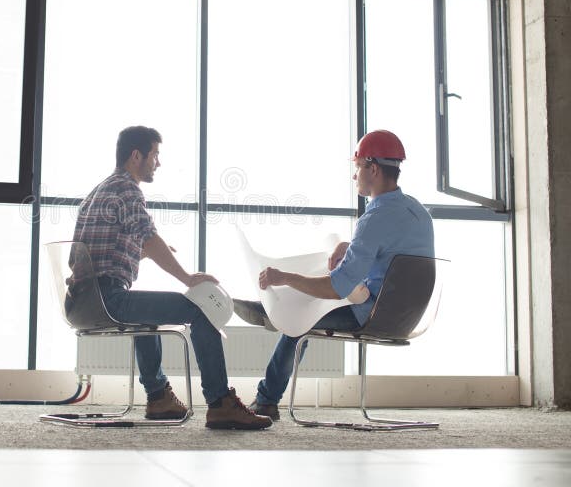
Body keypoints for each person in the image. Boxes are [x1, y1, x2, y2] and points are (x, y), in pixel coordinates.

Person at [73, 126, 271, 430]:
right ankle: (220, 403)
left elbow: (99, 256)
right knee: (199, 310)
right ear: (137, 155)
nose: (158, 163)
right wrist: (187, 277)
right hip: (107, 299)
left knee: (146, 315)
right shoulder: (127, 189)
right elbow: (150, 237)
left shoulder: (98, 191)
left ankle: (158, 397)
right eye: (155, 155)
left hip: (83, 302)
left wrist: (145, 254)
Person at [233, 130, 434, 420]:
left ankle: (266, 398)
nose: (355, 177)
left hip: (373, 315)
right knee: (325, 272)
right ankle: (274, 308)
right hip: (409, 315)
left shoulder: (375, 218)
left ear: (372, 168)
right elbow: (395, 253)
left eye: (357, 168)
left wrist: (284, 277)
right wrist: (351, 246)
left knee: (297, 323)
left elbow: (337, 287)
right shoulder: (418, 212)